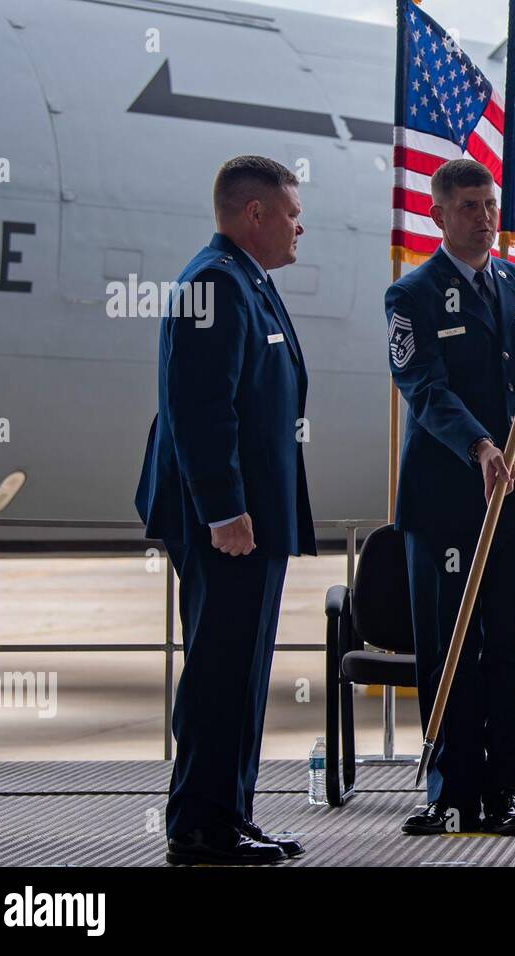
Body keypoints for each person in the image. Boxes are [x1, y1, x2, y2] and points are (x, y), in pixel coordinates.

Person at [384, 157, 515, 836]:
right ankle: (451, 791)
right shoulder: (411, 295)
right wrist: (480, 445)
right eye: (471, 206)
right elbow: (424, 387)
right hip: (448, 499)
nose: (486, 217)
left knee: (513, 646)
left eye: (490, 204)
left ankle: (509, 789)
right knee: (449, 646)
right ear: (438, 214)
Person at [136, 155, 316, 865]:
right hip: (226, 523)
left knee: (241, 671)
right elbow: (199, 408)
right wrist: (223, 510)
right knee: (218, 671)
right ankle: (199, 825)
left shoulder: (250, 283)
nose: (302, 227)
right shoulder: (214, 284)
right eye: (293, 214)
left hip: (251, 520)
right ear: (255, 215)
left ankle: (230, 814)